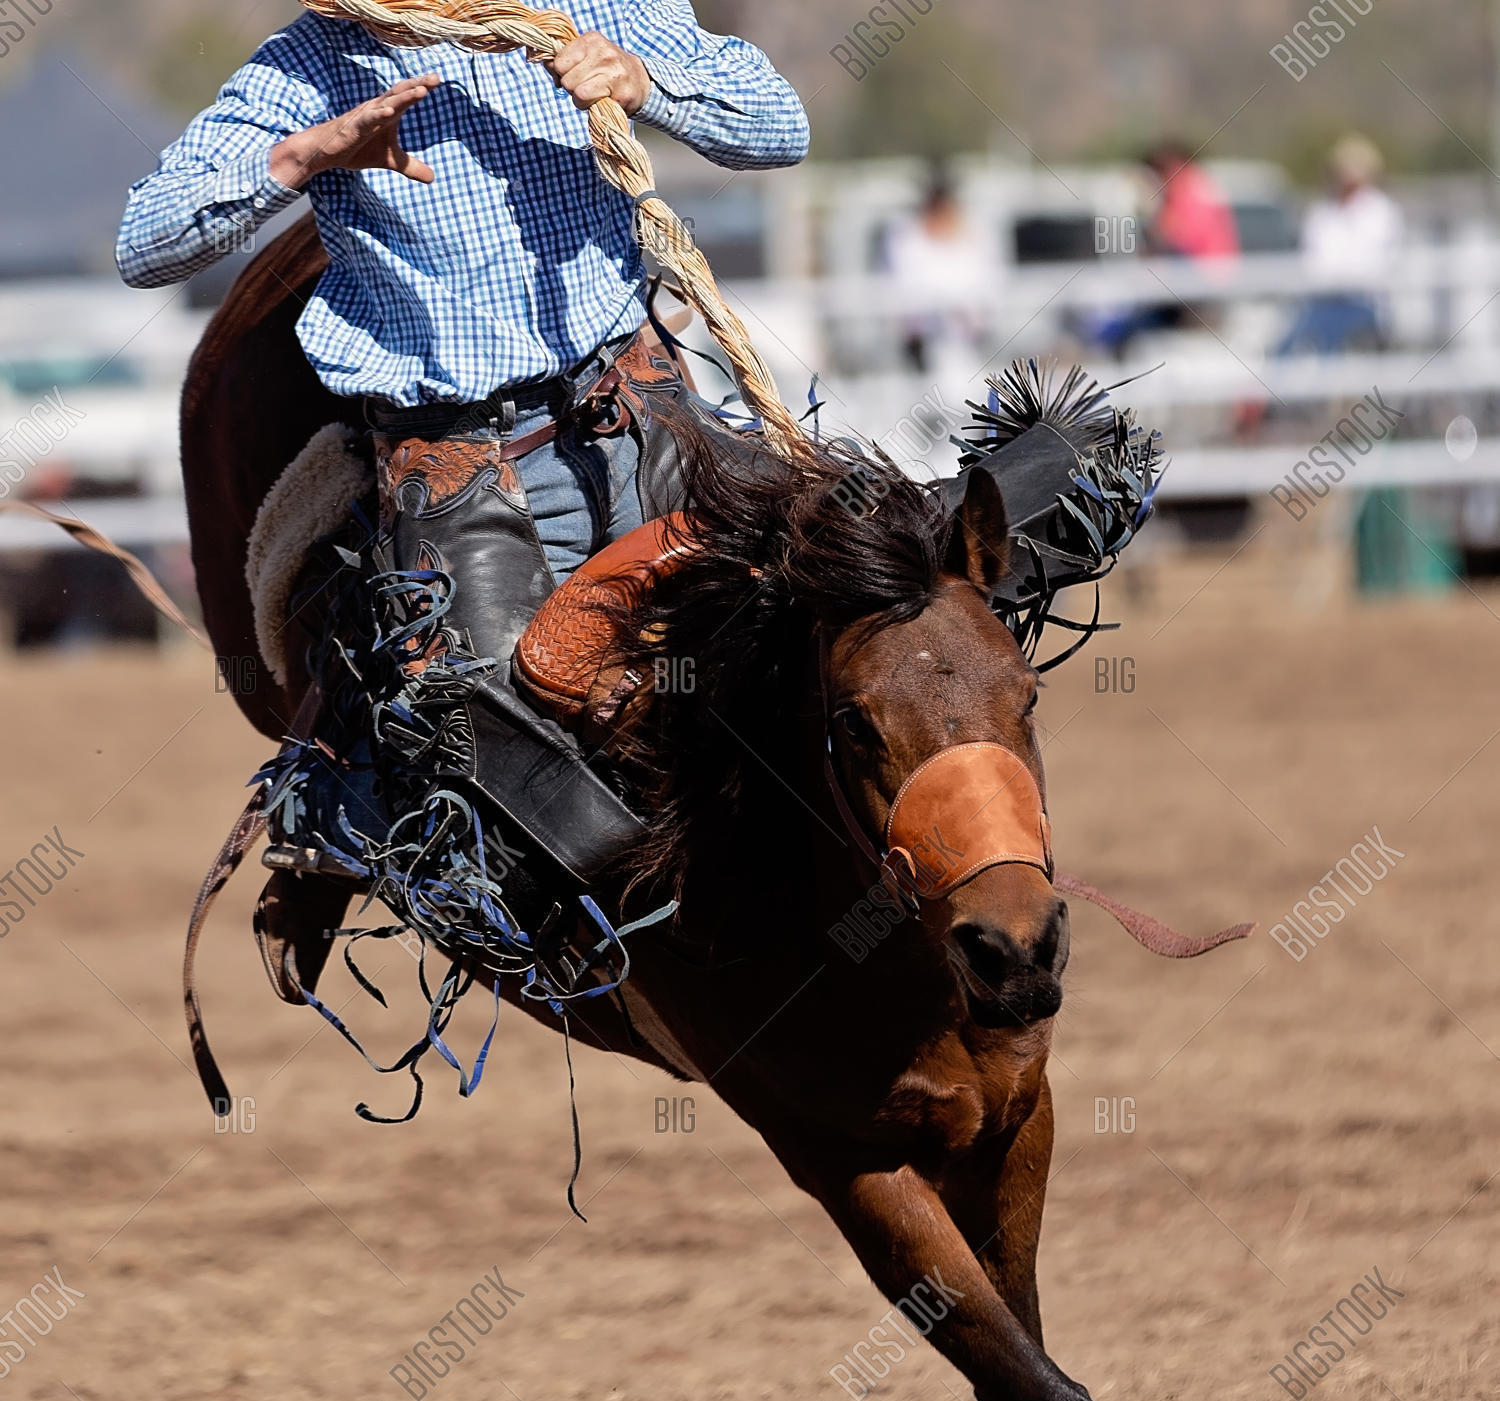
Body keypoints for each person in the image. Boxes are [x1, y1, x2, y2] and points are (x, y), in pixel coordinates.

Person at [117, 2, 808, 879]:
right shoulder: (303, 68)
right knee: (505, 775)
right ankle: (353, 802)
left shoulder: (590, 9)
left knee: (849, 591)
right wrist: (307, 155)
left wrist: (646, 82)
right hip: (464, 463)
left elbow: (781, 125)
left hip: (644, 410)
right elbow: (146, 243)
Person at [1088, 139, 1239, 359]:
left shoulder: (1190, 189)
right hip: (1191, 294)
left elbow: (1178, 239)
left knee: (1128, 332)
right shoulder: (1199, 187)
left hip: (1199, 295)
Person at [1277, 134, 1402, 356]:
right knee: (1286, 347)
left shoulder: (1380, 211)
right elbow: (1312, 262)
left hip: (1363, 304)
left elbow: (1372, 264)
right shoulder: (1322, 212)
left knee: (1329, 342)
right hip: (1320, 303)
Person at [883, 170, 989, 374]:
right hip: (920, 340)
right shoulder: (905, 236)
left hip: (970, 336)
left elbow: (986, 282)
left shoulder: (975, 232)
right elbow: (904, 285)